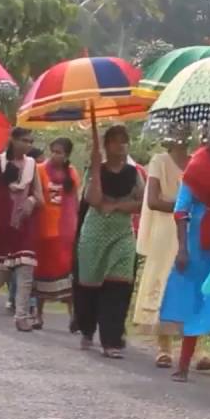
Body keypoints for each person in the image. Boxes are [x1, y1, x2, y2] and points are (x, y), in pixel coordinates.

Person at [161, 124, 210, 382]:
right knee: (194, 304)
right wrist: (182, 249)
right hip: (197, 246)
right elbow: (181, 210)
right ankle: (182, 366)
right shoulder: (195, 171)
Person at [73, 118, 144, 358]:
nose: (122, 146)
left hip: (122, 234)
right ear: (107, 145)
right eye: (116, 142)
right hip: (95, 233)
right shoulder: (96, 170)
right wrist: (95, 169)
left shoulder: (134, 174)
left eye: (125, 142)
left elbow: (141, 202)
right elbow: (93, 200)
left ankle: (112, 339)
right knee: (90, 285)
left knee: (119, 285)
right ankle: (86, 328)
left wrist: (118, 206)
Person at [132, 127, 191, 368]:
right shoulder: (159, 161)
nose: (180, 136)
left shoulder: (195, 161)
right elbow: (154, 200)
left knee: (188, 282)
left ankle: (189, 345)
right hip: (166, 230)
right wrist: (184, 206)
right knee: (163, 279)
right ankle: (164, 345)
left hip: (188, 230)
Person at [0, 127, 44, 331]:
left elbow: (40, 196)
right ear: (13, 140)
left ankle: (21, 316)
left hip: (24, 225)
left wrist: (31, 201)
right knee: (2, 273)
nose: (27, 145)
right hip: (2, 224)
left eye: (30, 141)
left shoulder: (32, 165)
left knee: (26, 269)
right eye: (24, 140)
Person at [33, 137, 80, 328]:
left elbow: (75, 200)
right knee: (41, 273)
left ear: (67, 155)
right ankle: (38, 315)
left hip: (65, 232)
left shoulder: (71, 172)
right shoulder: (40, 170)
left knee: (67, 274)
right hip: (44, 230)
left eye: (60, 152)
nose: (55, 155)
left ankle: (73, 317)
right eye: (53, 151)